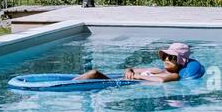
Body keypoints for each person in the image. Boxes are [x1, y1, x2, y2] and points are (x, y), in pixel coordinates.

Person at [74, 42, 204, 83]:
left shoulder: (175, 76)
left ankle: (71, 83)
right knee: (93, 73)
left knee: (94, 73)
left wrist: (138, 76)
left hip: (119, 85)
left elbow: (161, 81)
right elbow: (131, 69)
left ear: (181, 62)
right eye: (165, 56)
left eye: (172, 57)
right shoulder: (156, 70)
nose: (166, 59)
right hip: (120, 80)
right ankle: (73, 81)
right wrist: (129, 71)